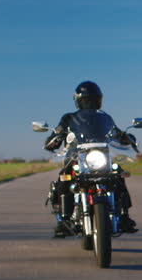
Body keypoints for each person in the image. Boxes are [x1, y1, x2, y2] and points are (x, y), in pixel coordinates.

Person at [44, 81, 137, 237]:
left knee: (119, 176)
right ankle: (63, 220)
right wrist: (53, 140)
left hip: (100, 155)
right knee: (63, 180)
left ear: (99, 100)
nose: (89, 103)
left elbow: (116, 133)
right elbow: (57, 133)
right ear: (78, 101)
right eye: (86, 100)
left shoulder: (104, 117)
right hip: (75, 156)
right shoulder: (69, 118)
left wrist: (127, 138)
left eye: (92, 99)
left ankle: (124, 216)